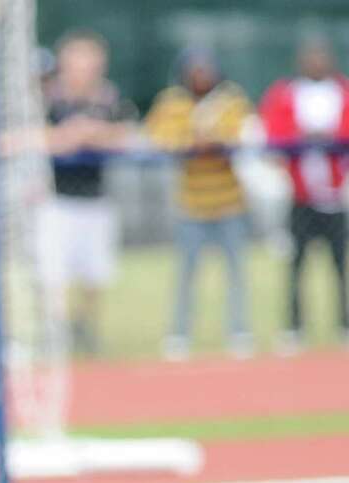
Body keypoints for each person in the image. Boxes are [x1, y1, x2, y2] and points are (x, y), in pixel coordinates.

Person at [145, 48, 253, 360]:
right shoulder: (172, 102)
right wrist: (193, 142)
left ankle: (239, 331)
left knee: (236, 273)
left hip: (229, 202)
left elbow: (241, 135)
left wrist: (214, 141)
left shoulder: (231, 99)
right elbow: (159, 138)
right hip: (191, 204)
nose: (201, 76)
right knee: (186, 275)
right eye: (195, 70)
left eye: (206, 70)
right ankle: (180, 334)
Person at [39, 30, 136, 356]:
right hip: (57, 199)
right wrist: (66, 137)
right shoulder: (49, 99)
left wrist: (92, 134)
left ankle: (85, 325)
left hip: (96, 198)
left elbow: (125, 135)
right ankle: (56, 328)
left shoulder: (108, 98)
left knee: (96, 272)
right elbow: (28, 136)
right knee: (54, 271)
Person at [260, 37, 349, 353]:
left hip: (335, 197)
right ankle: (294, 326)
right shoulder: (287, 93)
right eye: (311, 57)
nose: (316, 62)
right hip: (300, 197)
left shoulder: (342, 91)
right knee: (296, 265)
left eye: (321, 56)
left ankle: (343, 324)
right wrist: (302, 138)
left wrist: (331, 138)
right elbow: (274, 136)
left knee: (339, 265)